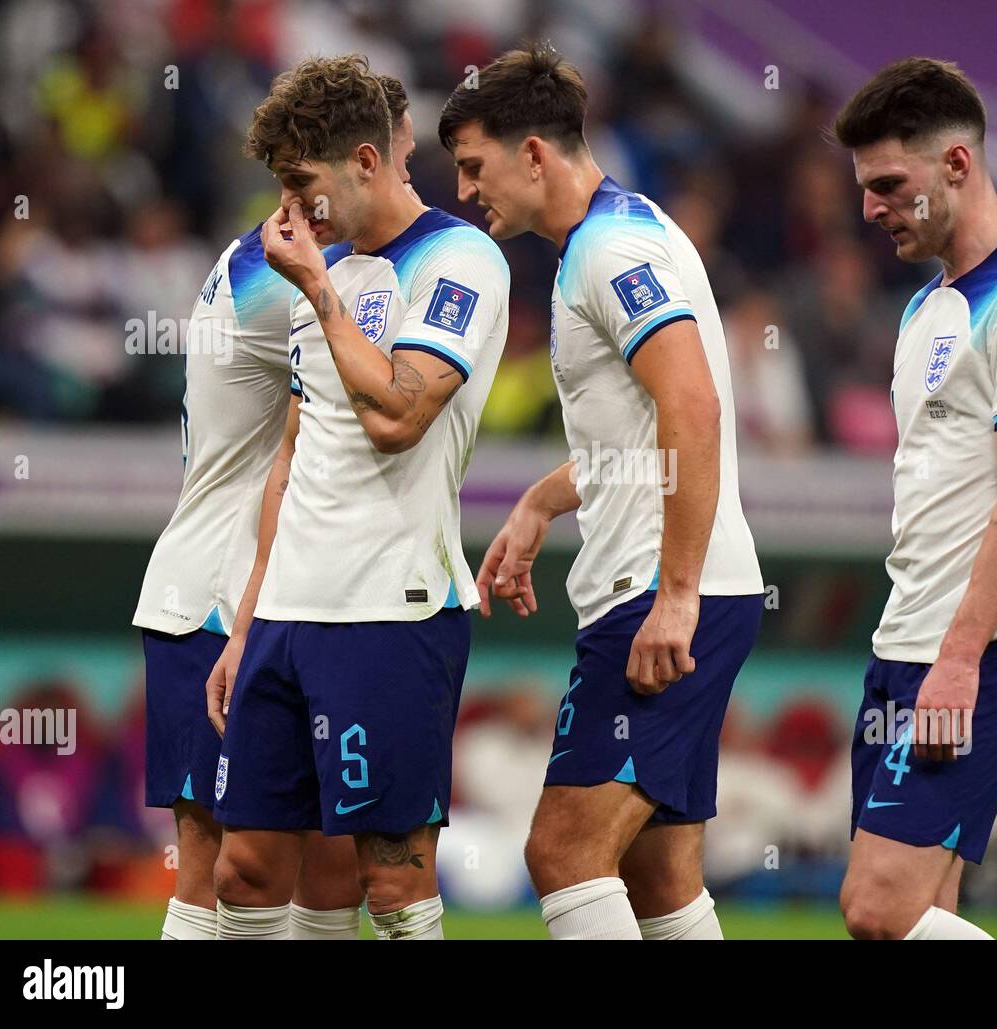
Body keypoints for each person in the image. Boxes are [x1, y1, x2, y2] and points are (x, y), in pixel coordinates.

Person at [439, 43, 763, 940]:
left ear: (533, 152)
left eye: (475, 166)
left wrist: (676, 593)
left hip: (657, 598)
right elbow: (646, 434)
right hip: (683, 589)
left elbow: (692, 407)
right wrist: (545, 498)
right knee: (659, 877)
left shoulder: (610, 252)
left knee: (564, 851)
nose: (468, 192)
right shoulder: (633, 231)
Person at [208, 54, 509, 941]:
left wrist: (318, 288)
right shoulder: (326, 280)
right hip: (288, 615)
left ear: (368, 162)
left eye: (305, 185)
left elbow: (400, 414)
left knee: (390, 880)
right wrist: (248, 620)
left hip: (392, 608)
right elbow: (292, 458)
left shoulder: (461, 259)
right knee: (246, 867)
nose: (294, 211)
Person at [130, 70, 425, 940]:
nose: (412, 182)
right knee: (223, 864)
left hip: (289, 596)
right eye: (406, 160)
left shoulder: (308, 258)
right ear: (365, 157)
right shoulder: (283, 266)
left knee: (327, 860)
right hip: (214, 591)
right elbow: (396, 391)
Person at [831, 57, 997, 940]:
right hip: (911, 635)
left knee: (876, 908)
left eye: (889, 185)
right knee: (922, 915)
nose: (871, 208)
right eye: (865, 188)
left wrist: (960, 656)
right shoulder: (925, 310)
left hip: (991, 644)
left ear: (957, 165)